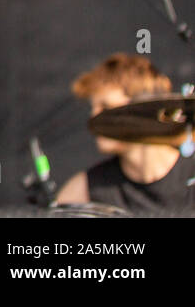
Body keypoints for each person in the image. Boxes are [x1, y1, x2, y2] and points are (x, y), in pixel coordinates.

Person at [54, 53, 195, 212]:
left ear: (143, 109)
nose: (94, 118)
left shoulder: (191, 177)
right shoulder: (84, 190)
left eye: (106, 108)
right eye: (93, 109)